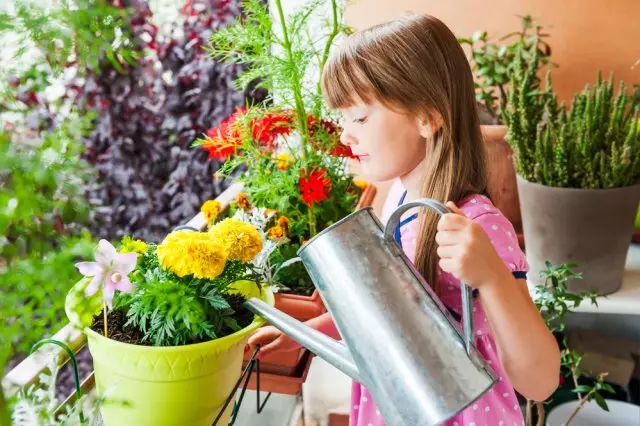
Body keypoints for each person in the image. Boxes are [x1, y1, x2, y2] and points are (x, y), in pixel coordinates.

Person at [248, 13, 560, 426]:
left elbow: (540, 382)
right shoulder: (399, 199)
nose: (345, 134)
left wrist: (493, 278)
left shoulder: (476, 227)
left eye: (358, 117)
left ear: (427, 117)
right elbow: (389, 311)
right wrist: (300, 331)